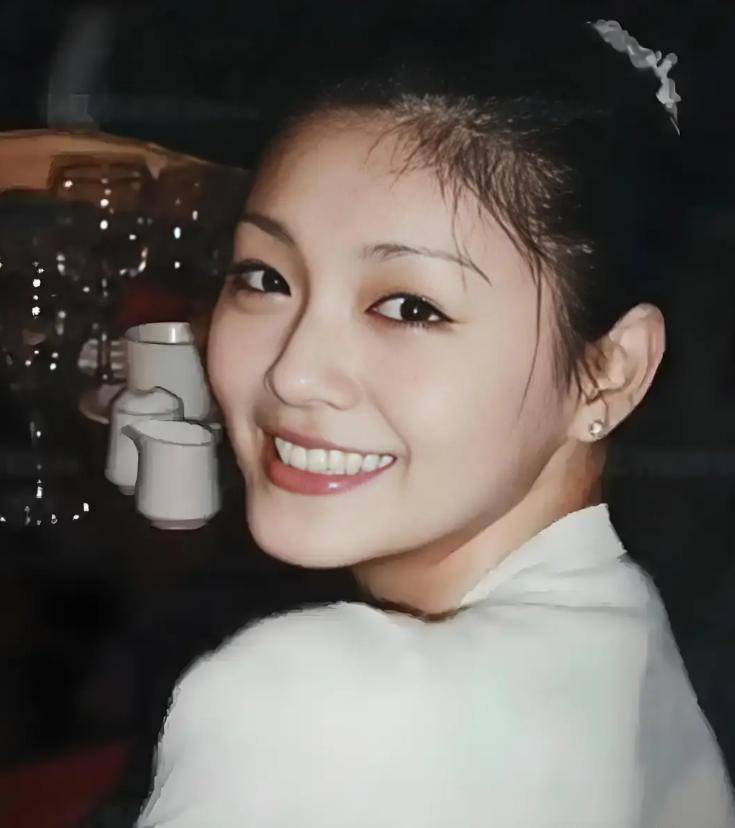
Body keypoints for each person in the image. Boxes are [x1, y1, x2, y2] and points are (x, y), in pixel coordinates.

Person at [136, 12, 735, 827]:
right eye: (265, 278)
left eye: (409, 308)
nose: (292, 372)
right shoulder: (630, 651)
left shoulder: (312, 710)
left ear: (609, 372)